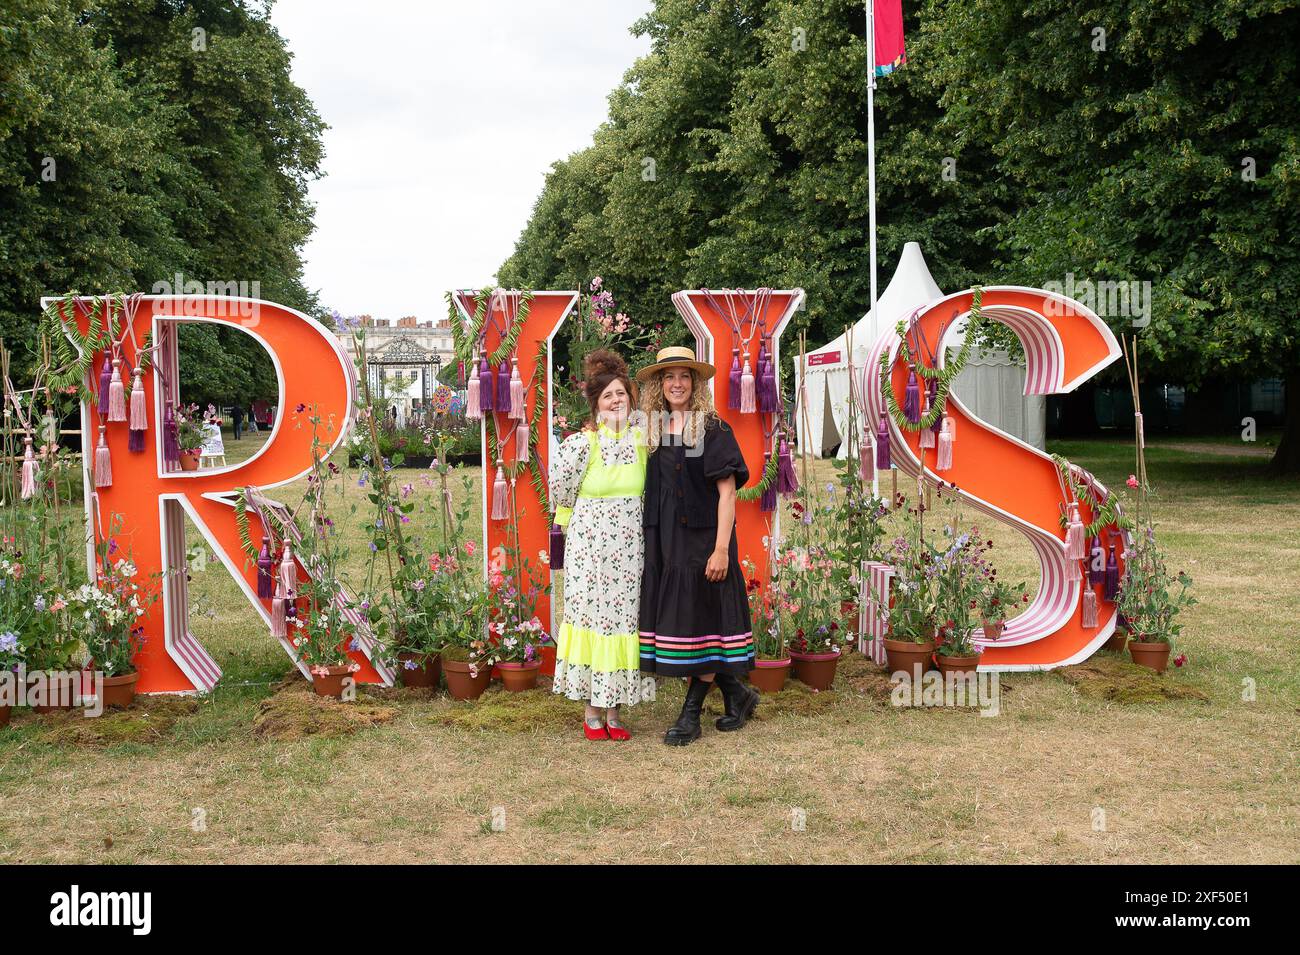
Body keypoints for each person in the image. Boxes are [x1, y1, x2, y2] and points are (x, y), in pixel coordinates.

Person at [637, 346, 757, 746]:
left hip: (704, 541)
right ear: (659, 384)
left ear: (695, 382)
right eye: (669, 376)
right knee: (690, 623)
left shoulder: (712, 429)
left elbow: (727, 494)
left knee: (702, 623)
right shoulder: (653, 430)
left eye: (684, 376)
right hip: (667, 543)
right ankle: (737, 694)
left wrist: (721, 549)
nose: (676, 383)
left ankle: (690, 716)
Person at [549, 349, 654, 740]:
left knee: (623, 623)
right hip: (590, 550)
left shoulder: (643, 441)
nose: (616, 401)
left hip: (629, 551)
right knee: (594, 622)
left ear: (631, 398)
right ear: (595, 403)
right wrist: (564, 533)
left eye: (622, 394)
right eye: (608, 396)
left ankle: (614, 712)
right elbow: (560, 491)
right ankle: (592, 712)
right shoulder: (582, 445)